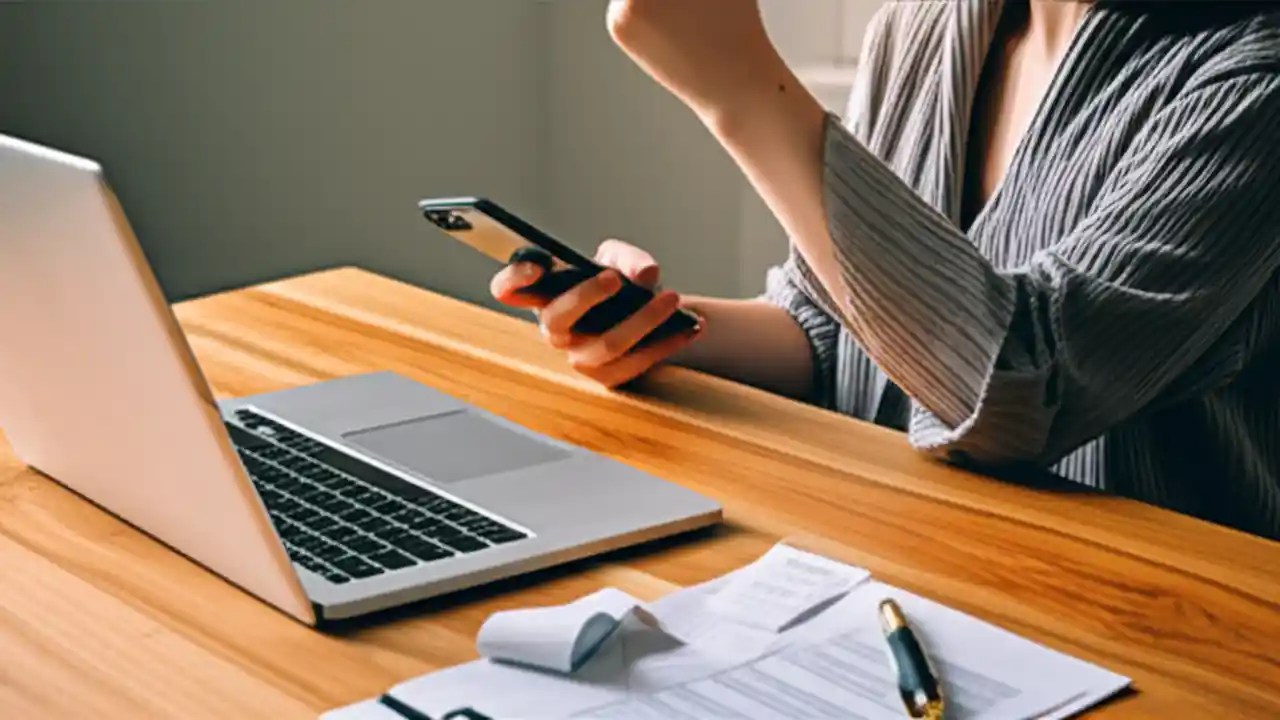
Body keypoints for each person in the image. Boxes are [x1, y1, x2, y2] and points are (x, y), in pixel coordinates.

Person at [491, 1, 1280, 539]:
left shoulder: (1254, 81)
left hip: (1155, 637)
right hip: (900, 570)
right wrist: (658, 330)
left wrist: (736, 89)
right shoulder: (929, 23)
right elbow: (835, 332)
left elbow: (1018, 392)